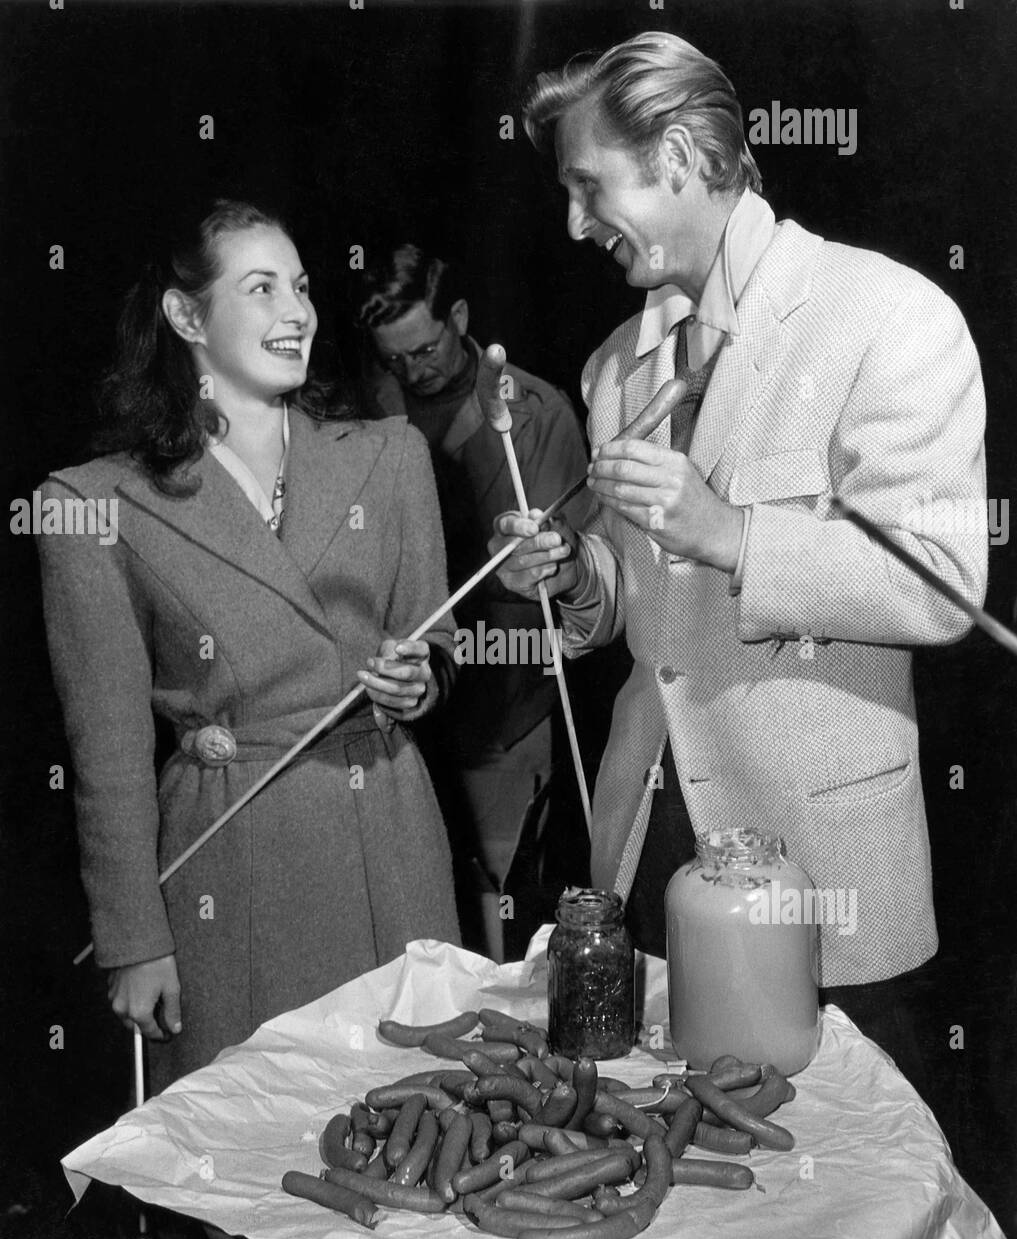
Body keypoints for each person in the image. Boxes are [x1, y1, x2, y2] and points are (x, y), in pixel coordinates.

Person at [491, 32, 987, 1081]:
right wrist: (577, 574)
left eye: (589, 186)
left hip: (822, 875)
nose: (575, 224)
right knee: (676, 1180)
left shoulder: (888, 318)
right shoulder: (614, 368)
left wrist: (731, 533)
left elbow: (946, 584)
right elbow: (645, 611)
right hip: (648, 847)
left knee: (845, 1194)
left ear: (676, 157)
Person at [37, 200, 460, 1091]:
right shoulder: (92, 504)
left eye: (300, 288)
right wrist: (133, 938)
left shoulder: (389, 458)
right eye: (260, 288)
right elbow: (106, 749)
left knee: (424, 1131)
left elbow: (437, 641)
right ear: (187, 316)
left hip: (389, 834)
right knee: (257, 1160)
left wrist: (417, 684)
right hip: (230, 865)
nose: (296, 312)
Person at [354, 245, 591, 956]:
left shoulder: (536, 413)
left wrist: (475, 570)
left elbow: (555, 577)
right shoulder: (369, 406)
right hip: (399, 707)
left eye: (424, 350)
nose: (413, 370)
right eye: (394, 359)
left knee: (495, 895)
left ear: (458, 317)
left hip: (502, 704)